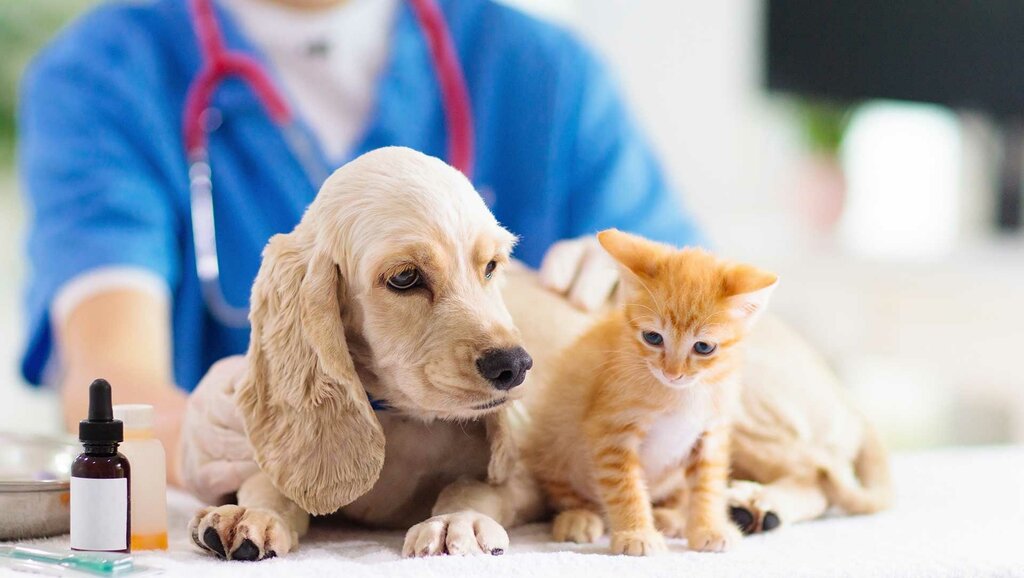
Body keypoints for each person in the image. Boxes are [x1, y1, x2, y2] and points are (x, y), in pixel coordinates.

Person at [18, 0, 701, 484]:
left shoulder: (546, 72)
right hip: (264, 511)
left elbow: (715, 316)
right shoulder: (104, 73)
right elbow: (108, 375)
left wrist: (647, 298)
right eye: (408, 277)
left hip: (501, 501)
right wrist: (192, 438)